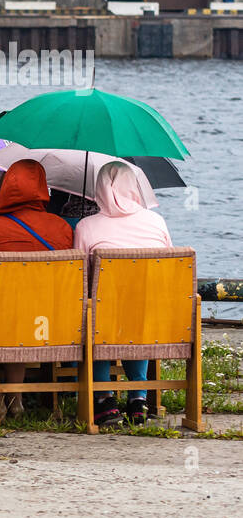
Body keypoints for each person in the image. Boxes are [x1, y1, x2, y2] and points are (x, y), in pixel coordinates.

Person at [0, 159, 74, 421]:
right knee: (17, 316)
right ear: (43, 188)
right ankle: (17, 401)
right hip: (50, 319)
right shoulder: (61, 227)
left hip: (1, 317)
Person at [74, 161, 173, 426]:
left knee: (95, 314)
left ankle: (104, 398)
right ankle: (138, 398)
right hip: (150, 315)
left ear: (100, 189)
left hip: (105, 316)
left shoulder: (87, 226)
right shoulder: (156, 222)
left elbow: (80, 276)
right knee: (136, 310)